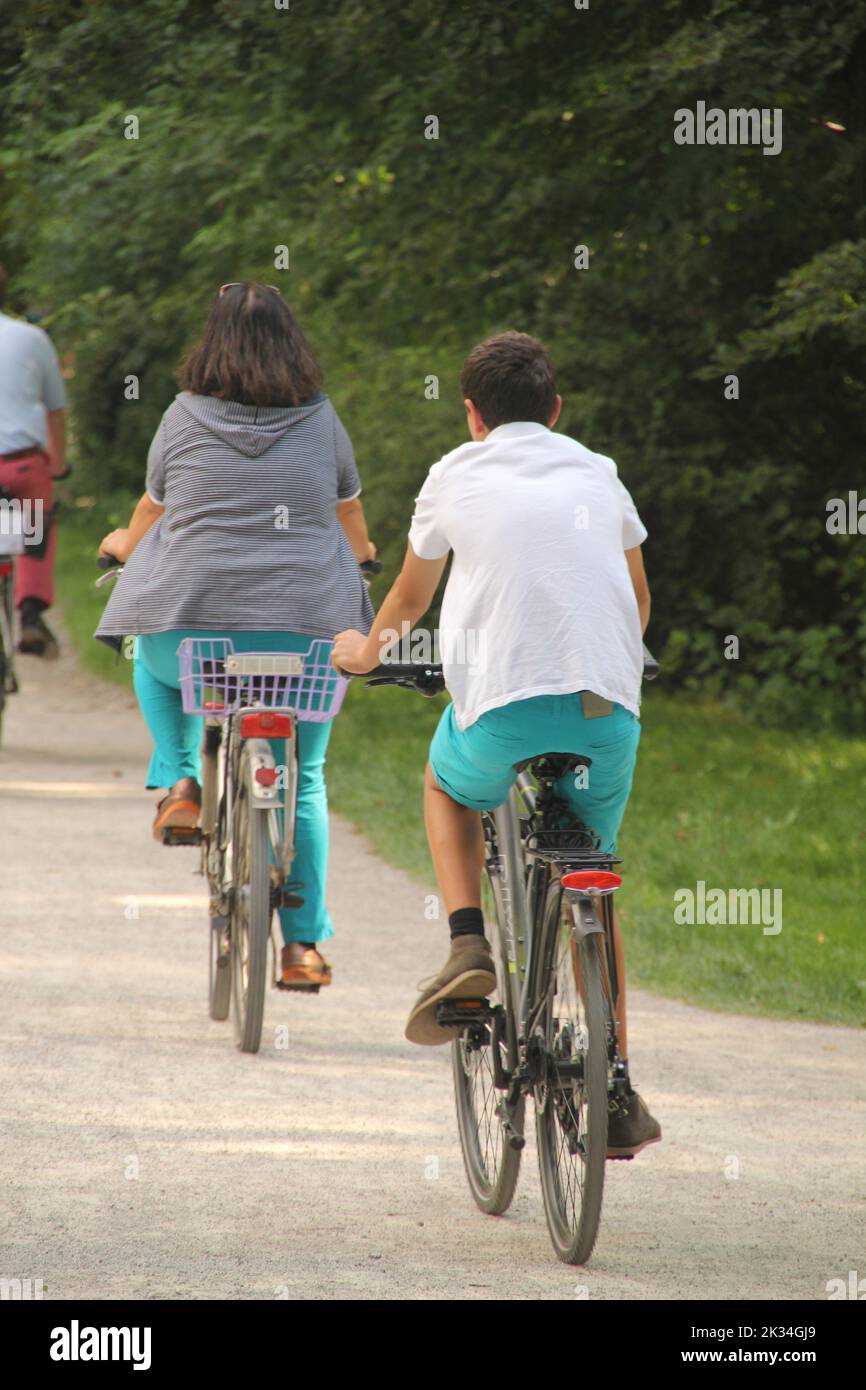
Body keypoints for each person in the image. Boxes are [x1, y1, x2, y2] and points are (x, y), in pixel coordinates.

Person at [332, 330, 660, 1157]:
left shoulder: (456, 473)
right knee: (598, 870)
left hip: (502, 705)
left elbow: (410, 595)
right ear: (556, 409)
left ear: (473, 414)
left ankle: (468, 940)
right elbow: (636, 600)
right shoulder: (597, 470)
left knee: (447, 785)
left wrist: (362, 654)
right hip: (605, 708)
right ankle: (613, 1079)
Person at [95, 282, 375, 988]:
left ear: (210, 342)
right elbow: (351, 518)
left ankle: (181, 774)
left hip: (192, 635)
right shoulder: (322, 420)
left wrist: (121, 545)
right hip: (305, 640)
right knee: (305, 777)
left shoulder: (184, 416)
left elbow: (152, 509)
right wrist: (365, 559)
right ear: (294, 345)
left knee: (147, 660)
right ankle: (302, 947)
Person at [0, 260, 67, 658]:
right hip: (23, 466)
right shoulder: (32, 338)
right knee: (36, 529)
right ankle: (29, 612)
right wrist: (57, 465)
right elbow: (55, 410)